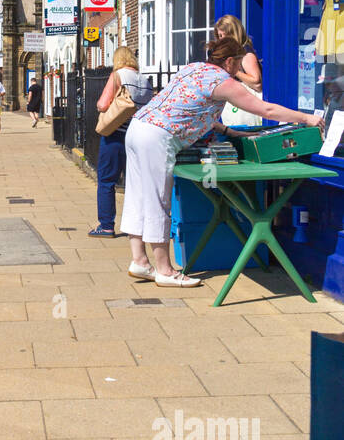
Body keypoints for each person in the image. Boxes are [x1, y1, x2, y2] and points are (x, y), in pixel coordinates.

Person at [120, 35, 325, 287]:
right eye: (238, 65)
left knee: (138, 195)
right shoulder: (223, 81)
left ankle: (139, 261)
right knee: (156, 200)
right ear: (228, 61)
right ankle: (165, 270)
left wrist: (229, 132)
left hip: (138, 127)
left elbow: (189, 107)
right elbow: (266, 110)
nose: (239, 70)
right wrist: (306, 119)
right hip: (157, 137)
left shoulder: (193, 68)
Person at [89, 47, 153, 237]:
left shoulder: (118, 75)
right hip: (137, 135)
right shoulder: (144, 80)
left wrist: (104, 107)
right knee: (136, 182)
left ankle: (106, 225)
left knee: (107, 180)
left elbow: (102, 104)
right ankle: (140, 224)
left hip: (115, 135)